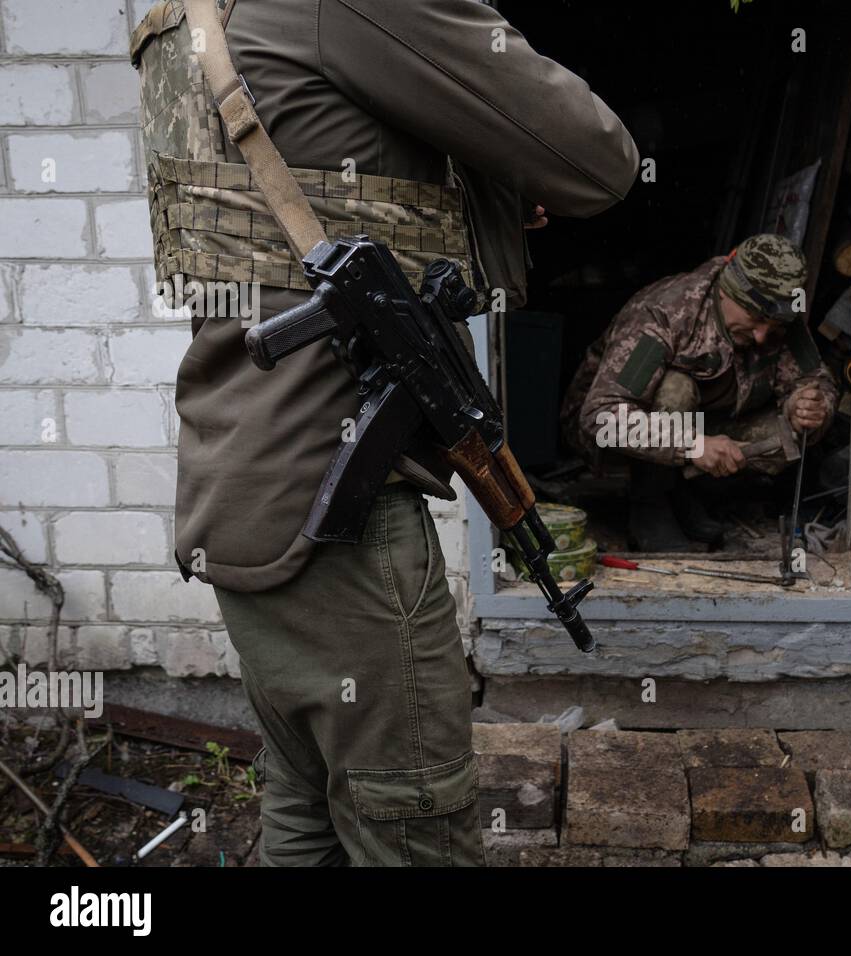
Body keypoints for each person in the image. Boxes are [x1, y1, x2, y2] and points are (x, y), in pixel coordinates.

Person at [131, 0, 637, 866]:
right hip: (339, 526)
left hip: (239, 471)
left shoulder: (186, 16)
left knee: (305, 805)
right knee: (414, 828)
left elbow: (302, 174)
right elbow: (599, 159)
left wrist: (475, 192)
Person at [560, 234, 838, 551]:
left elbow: (817, 378)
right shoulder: (666, 312)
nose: (763, 336)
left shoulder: (777, 317)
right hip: (607, 436)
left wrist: (807, 405)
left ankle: (683, 492)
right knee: (675, 388)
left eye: (773, 325)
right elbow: (600, 416)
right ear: (726, 293)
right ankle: (651, 504)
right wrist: (692, 445)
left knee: (789, 429)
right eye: (755, 319)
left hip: (706, 426)